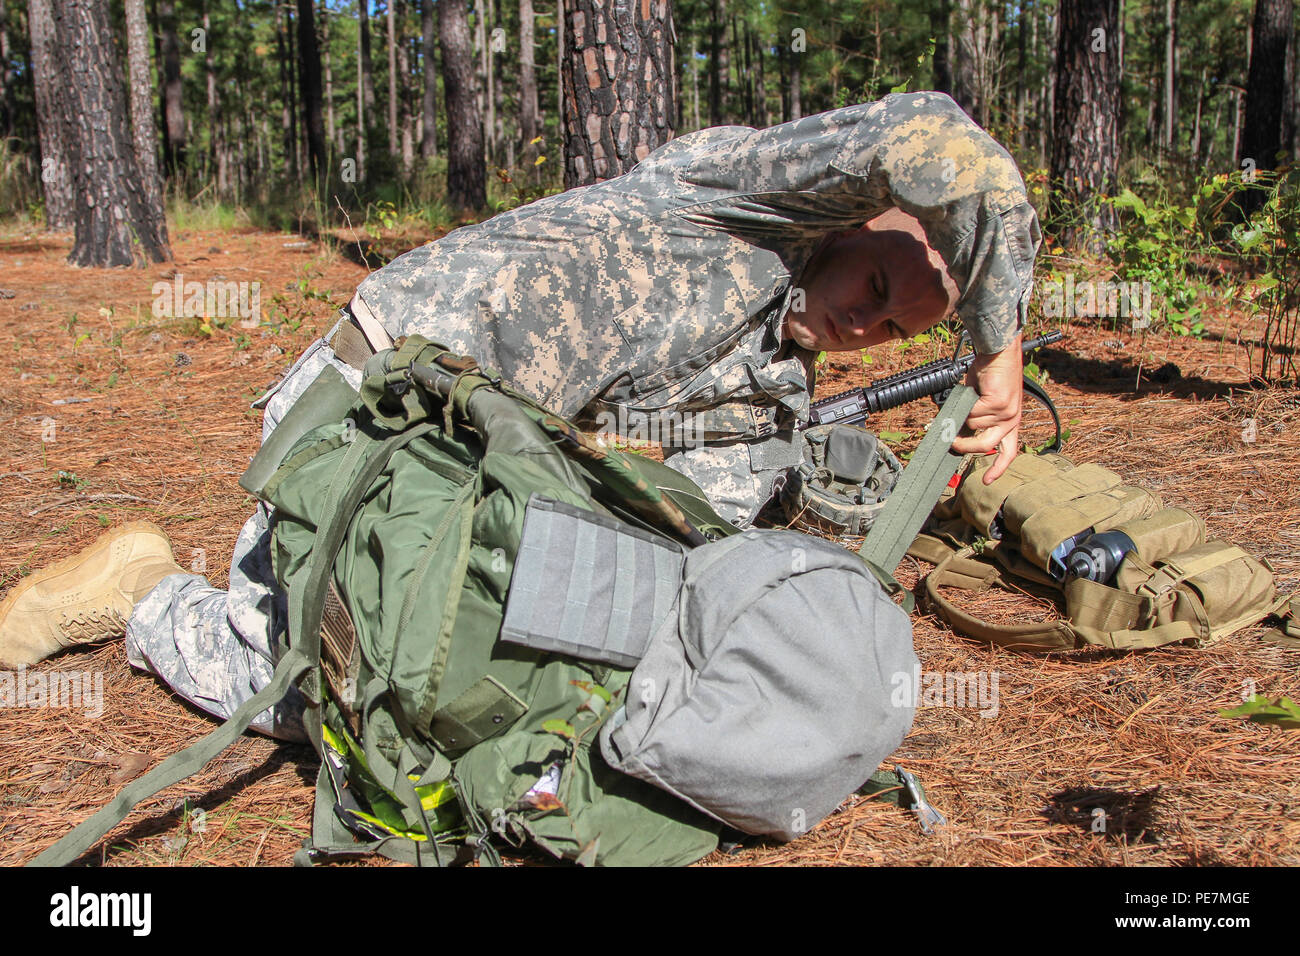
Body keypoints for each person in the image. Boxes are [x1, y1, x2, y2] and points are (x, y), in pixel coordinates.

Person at [0, 92, 1040, 742]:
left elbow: (700, 505)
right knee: (295, 692)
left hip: (455, 472)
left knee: (419, 691)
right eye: (873, 281)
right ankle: (142, 593)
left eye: (899, 329)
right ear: (847, 223)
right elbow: (942, 141)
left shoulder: (766, 364)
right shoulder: (736, 199)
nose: (866, 322)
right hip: (374, 404)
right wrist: (999, 346)